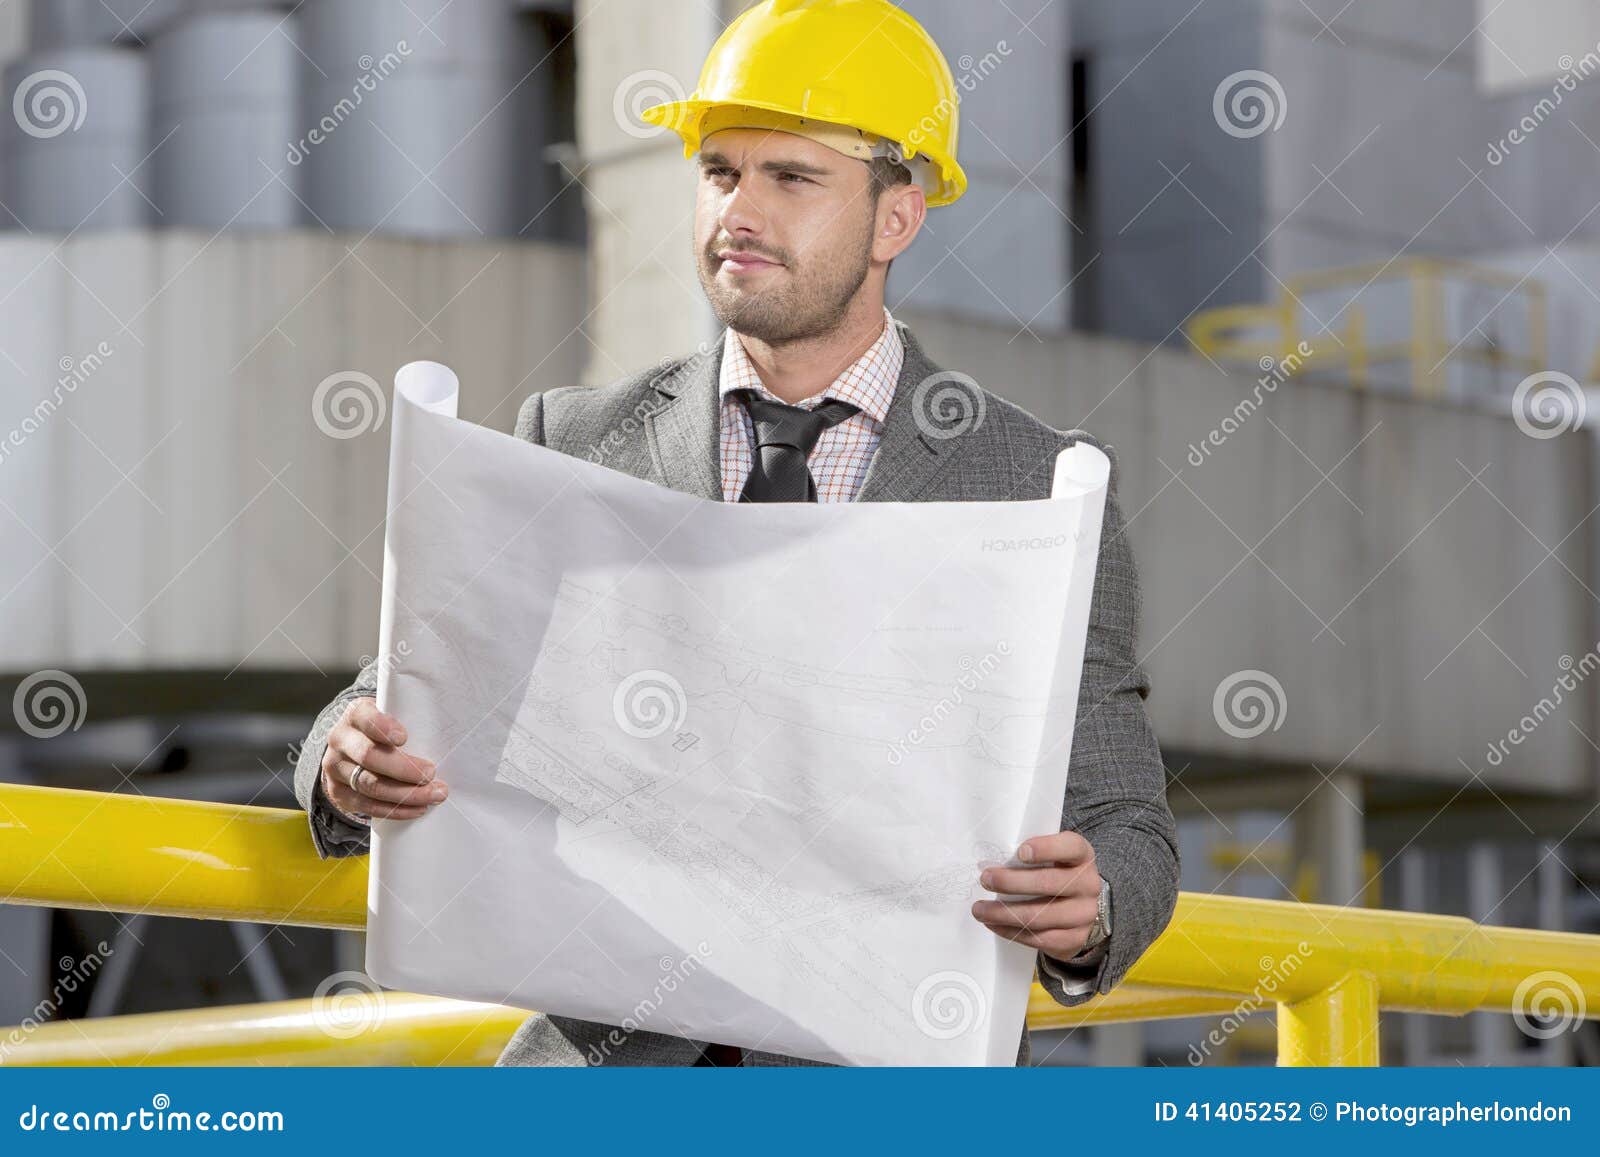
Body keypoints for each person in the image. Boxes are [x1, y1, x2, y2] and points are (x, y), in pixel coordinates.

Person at [292, 0, 1178, 1067]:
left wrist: (1091, 905)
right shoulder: (576, 440)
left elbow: (1126, 820)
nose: (738, 211)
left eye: (791, 177)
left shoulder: (1028, 482)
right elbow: (396, 690)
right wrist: (347, 761)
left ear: (897, 218)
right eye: (719, 172)